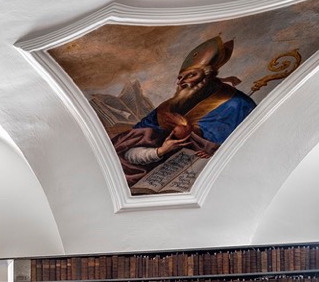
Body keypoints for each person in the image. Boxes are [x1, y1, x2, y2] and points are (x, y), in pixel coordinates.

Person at [108, 37, 257, 187]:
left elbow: (245, 145)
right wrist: (160, 151)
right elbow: (130, 142)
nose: (181, 82)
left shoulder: (238, 105)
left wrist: (215, 152)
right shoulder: (166, 108)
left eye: (191, 75)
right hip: (150, 174)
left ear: (208, 77)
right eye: (180, 77)